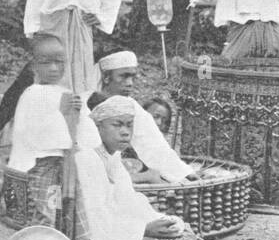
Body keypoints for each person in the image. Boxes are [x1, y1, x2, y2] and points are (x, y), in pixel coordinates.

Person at [73, 97, 206, 240]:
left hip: (123, 230)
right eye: (117, 125)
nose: (125, 132)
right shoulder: (87, 159)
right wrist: (144, 229)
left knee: (183, 230)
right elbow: (97, 219)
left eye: (129, 125)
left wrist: (154, 220)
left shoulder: (112, 157)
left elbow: (129, 201)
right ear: (98, 127)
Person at [75, 52, 196, 182]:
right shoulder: (82, 104)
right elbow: (86, 149)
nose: (130, 83)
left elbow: (153, 145)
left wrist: (183, 173)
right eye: (124, 76)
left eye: (132, 77)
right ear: (106, 78)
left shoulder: (130, 105)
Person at [7, 33, 85, 225]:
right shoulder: (32, 94)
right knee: (43, 211)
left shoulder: (63, 92)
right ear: (34, 66)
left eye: (59, 62)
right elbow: (33, 133)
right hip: (38, 165)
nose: (54, 68)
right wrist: (63, 113)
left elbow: (76, 130)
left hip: (58, 165)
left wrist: (75, 112)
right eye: (46, 63)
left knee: (54, 208)